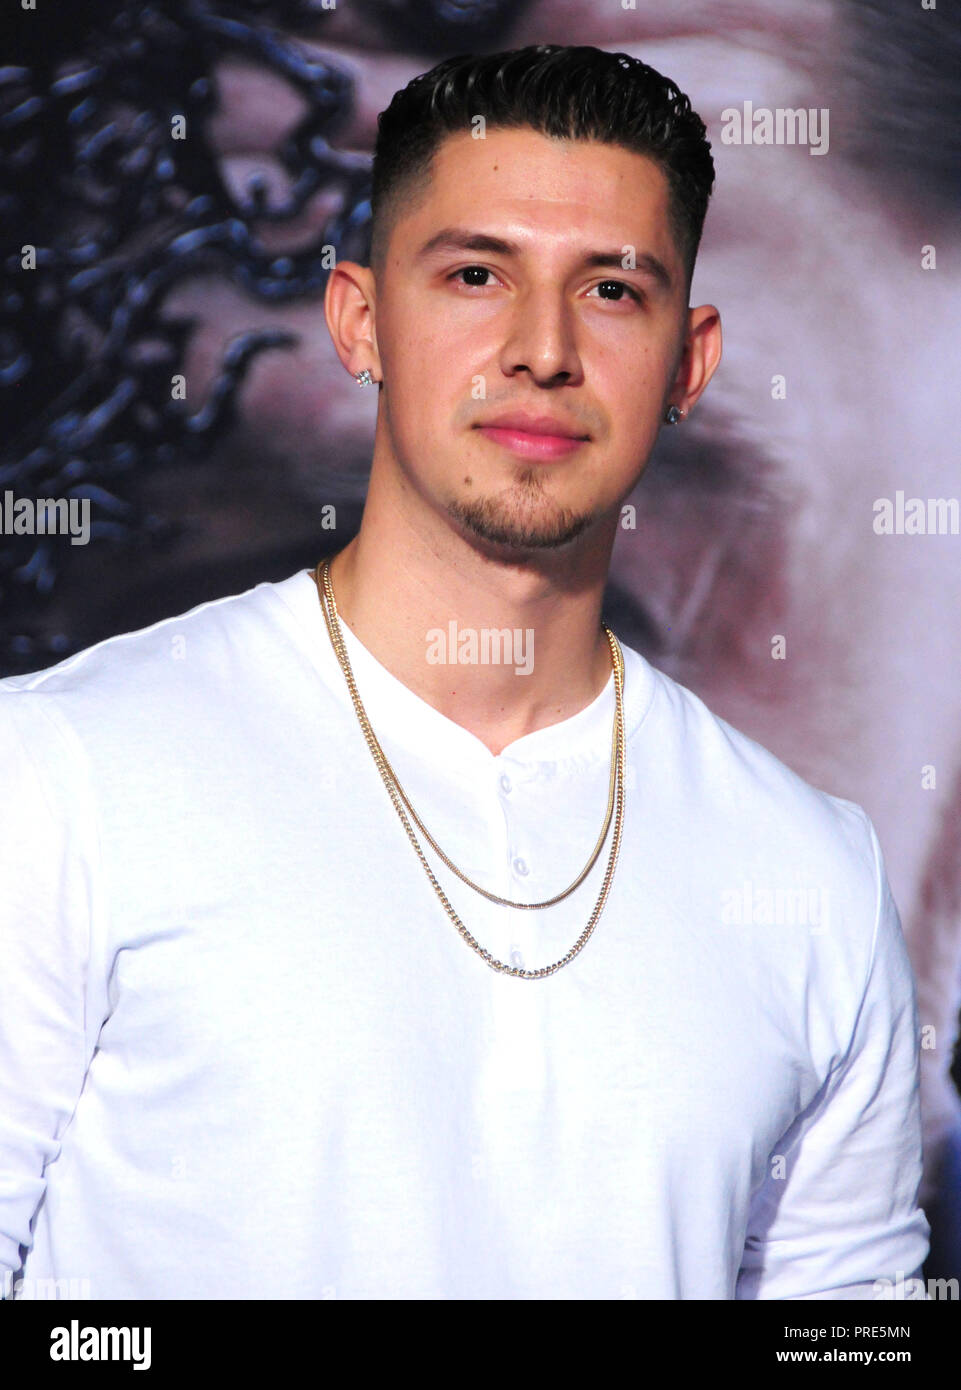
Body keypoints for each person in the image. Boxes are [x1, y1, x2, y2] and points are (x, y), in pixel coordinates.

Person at [0, 44, 929, 1300]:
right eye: (476, 274)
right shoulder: (60, 779)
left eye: (610, 289)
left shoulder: (813, 872)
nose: (542, 348)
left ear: (690, 361)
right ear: (361, 320)